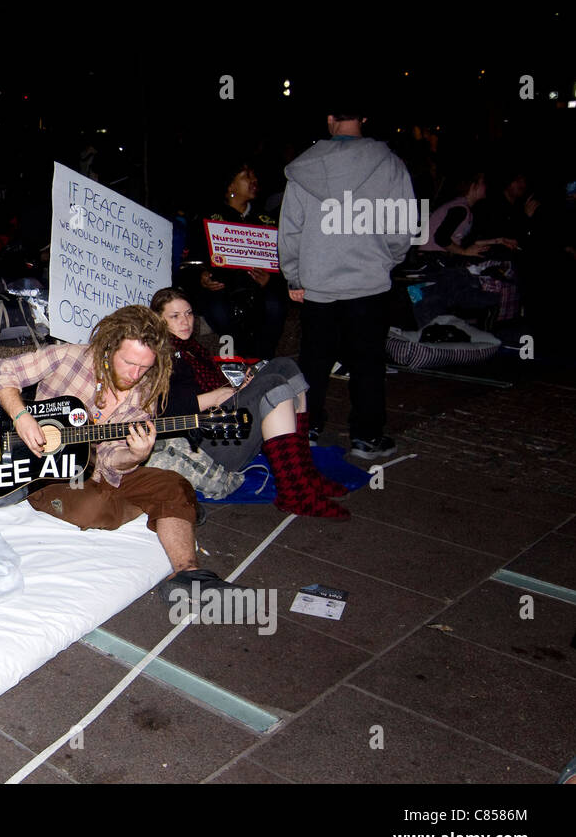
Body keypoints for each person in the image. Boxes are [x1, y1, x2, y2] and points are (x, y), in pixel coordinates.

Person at [0, 304, 247, 598]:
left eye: (145, 367)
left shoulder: (145, 393)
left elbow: (112, 457)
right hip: (46, 472)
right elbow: (2, 371)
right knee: (96, 507)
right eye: (128, 362)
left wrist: (135, 455)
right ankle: (167, 513)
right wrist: (22, 417)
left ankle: (188, 574)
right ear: (109, 347)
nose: (135, 374)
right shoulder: (70, 357)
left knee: (174, 485)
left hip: (96, 467)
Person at [278, 94, 414, 460]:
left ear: (329, 119)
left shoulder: (303, 168)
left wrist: (294, 275)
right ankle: (367, 436)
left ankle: (307, 429)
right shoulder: (390, 165)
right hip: (368, 282)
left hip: (319, 283)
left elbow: (290, 229)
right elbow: (402, 228)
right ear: (364, 119)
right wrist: (386, 260)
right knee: (368, 362)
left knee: (314, 361)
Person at [151, 288, 349, 519]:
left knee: (284, 365)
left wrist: (238, 389)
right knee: (273, 384)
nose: (185, 321)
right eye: (175, 316)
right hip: (201, 442)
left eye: (189, 313)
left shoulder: (191, 348)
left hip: (220, 419)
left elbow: (217, 390)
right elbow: (163, 410)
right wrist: (218, 396)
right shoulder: (158, 356)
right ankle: (293, 492)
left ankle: (304, 472)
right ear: (158, 320)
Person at [187, 160, 289, 359]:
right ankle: (244, 355)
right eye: (246, 177)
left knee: (275, 306)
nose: (254, 180)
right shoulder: (208, 218)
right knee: (219, 310)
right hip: (222, 288)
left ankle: (264, 360)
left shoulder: (265, 219)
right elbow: (191, 263)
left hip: (257, 287)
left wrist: (270, 280)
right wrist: (202, 278)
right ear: (231, 186)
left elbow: (282, 262)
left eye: (254, 176)